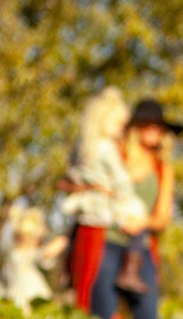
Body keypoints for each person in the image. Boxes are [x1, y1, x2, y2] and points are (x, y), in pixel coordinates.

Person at [64, 96, 179, 319]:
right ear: (135, 126)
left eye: (160, 127)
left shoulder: (162, 167)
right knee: (101, 314)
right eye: (149, 124)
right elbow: (78, 179)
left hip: (141, 249)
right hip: (107, 240)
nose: (155, 131)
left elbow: (162, 218)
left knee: (148, 318)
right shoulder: (114, 153)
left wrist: (142, 222)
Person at [60, 89, 152, 295]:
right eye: (120, 124)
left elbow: (72, 174)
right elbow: (121, 182)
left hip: (87, 206)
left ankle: (65, 270)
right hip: (102, 211)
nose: (123, 129)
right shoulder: (106, 147)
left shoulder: (84, 146)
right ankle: (131, 269)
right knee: (139, 214)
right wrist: (124, 183)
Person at [0, 209, 68, 313]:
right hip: (28, 293)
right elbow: (48, 252)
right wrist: (65, 239)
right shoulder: (22, 254)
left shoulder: (13, 253)